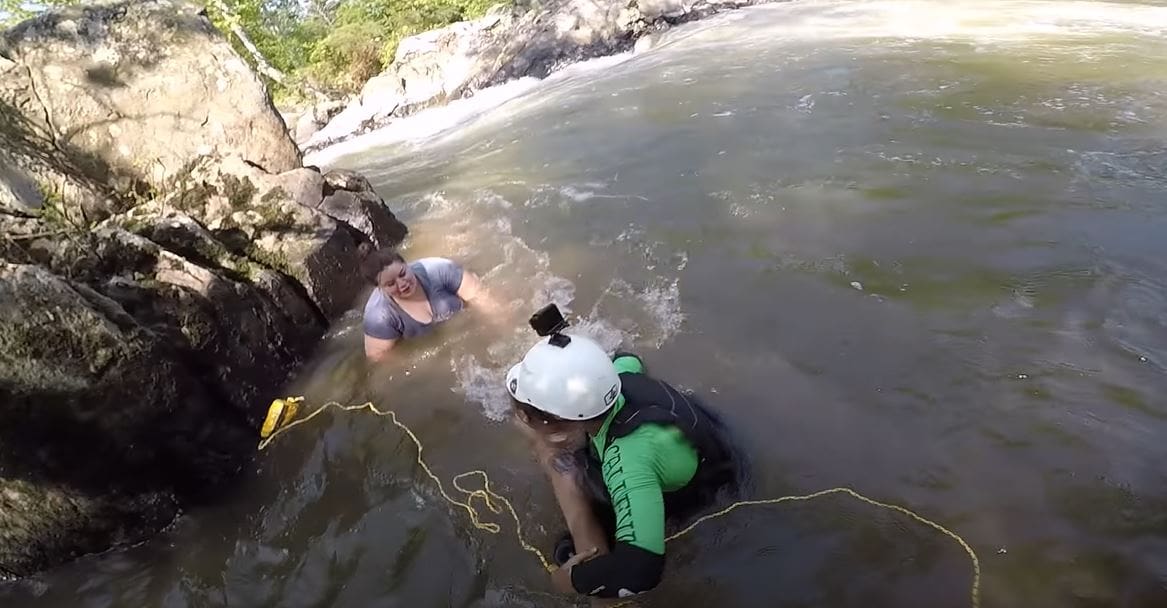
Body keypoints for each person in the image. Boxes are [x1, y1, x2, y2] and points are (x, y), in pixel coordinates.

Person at [505, 315, 740, 600]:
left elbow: (640, 571)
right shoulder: (620, 375)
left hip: (708, 487)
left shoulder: (626, 461)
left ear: (556, 427)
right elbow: (628, 356)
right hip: (704, 432)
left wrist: (569, 580)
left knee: (566, 549)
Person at [359, 244, 503, 362]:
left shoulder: (439, 269)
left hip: (468, 328)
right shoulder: (378, 316)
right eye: (391, 284)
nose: (402, 284)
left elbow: (485, 301)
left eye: (403, 274)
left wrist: (502, 334)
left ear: (407, 264)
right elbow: (380, 359)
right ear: (380, 288)